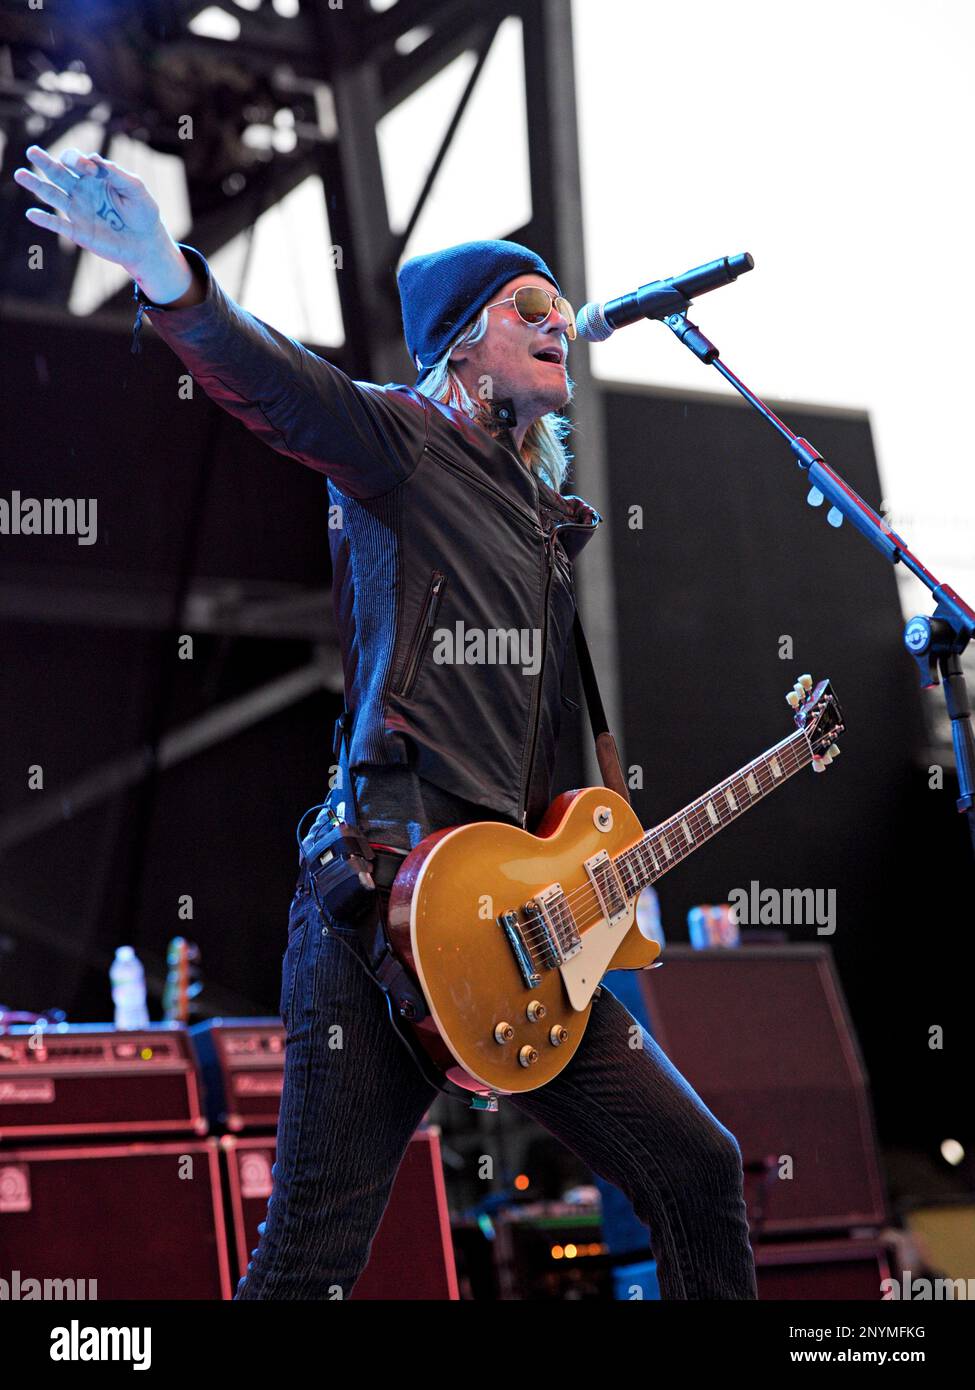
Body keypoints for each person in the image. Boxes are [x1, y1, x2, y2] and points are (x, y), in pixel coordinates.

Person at [14, 144, 759, 1300]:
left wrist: (585, 861)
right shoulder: (406, 444)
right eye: (530, 306)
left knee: (701, 1172)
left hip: (513, 934)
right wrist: (168, 273)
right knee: (309, 1263)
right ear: (463, 339)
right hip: (382, 910)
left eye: (563, 306)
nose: (559, 320)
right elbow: (276, 384)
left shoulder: (545, 522)